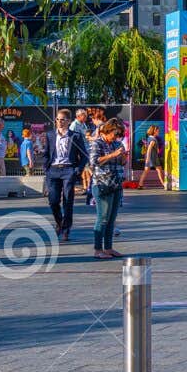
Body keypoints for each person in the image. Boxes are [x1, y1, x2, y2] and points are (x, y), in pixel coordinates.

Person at [33, 110, 86, 243]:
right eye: (57, 119)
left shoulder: (76, 136)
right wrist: (46, 168)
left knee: (68, 200)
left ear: (68, 121)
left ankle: (66, 229)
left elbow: (84, 155)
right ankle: (59, 222)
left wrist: (77, 170)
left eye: (62, 119)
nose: (59, 122)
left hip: (69, 170)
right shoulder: (50, 135)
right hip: (53, 170)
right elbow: (46, 153)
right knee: (53, 201)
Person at [87, 117, 128, 260]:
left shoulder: (117, 144)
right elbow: (94, 162)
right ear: (108, 131)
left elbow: (122, 163)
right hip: (102, 184)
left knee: (112, 218)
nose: (117, 138)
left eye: (119, 136)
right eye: (115, 135)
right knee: (102, 218)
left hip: (116, 184)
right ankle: (98, 249)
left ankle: (109, 248)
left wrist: (123, 156)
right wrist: (112, 155)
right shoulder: (96, 143)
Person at [137, 124, 165, 189]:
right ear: (154, 131)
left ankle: (140, 185)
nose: (158, 132)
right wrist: (148, 158)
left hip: (150, 156)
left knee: (146, 170)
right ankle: (164, 184)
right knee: (159, 170)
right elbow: (149, 148)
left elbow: (150, 147)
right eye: (158, 131)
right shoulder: (153, 139)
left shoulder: (149, 138)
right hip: (153, 157)